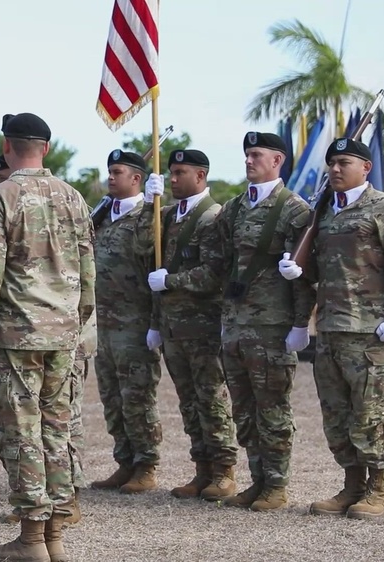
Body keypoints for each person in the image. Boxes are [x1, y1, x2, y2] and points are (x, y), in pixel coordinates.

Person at [0, 112, 94, 562]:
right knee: (56, 433)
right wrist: (77, 321)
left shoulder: (0, 198)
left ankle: (31, 540)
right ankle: (55, 538)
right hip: (63, 333)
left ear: (7, 146)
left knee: (23, 435)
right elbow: (88, 270)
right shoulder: (74, 198)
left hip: (17, 336)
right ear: (47, 146)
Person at [278, 138, 384, 519]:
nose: (335, 169)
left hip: (370, 333)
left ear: (365, 168)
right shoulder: (325, 214)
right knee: (335, 416)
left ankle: (378, 490)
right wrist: (298, 269)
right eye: (331, 163)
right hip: (331, 329)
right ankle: (351, 486)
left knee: (369, 415)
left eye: (344, 163)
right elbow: (326, 269)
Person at [213, 132, 315, 512]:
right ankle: (257, 479)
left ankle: (276, 484)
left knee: (272, 408)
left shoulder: (294, 209)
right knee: (243, 409)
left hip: (272, 325)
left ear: (277, 161)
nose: (248, 160)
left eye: (256, 154)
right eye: (246, 154)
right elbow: (224, 263)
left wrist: (300, 324)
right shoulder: (236, 207)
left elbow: (303, 274)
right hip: (237, 323)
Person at [136, 149, 239, 501]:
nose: (174, 178)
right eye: (171, 172)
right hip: (172, 326)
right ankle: (202, 469)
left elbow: (215, 274)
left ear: (201, 175)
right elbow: (141, 250)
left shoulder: (213, 217)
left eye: (181, 172)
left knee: (211, 399)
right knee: (188, 402)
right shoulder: (166, 215)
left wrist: (173, 281)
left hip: (202, 326)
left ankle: (224, 471)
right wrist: (146, 205)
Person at [90, 148, 163, 495]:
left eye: (117, 172)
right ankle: (124, 461)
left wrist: (151, 208)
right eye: (110, 171)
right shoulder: (102, 216)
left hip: (134, 323)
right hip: (103, 323)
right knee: (112, 398)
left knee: (137, 398)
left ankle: (146, 465)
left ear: (136, 179)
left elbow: (148, 249)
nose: (110, 177)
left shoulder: (148, 218)